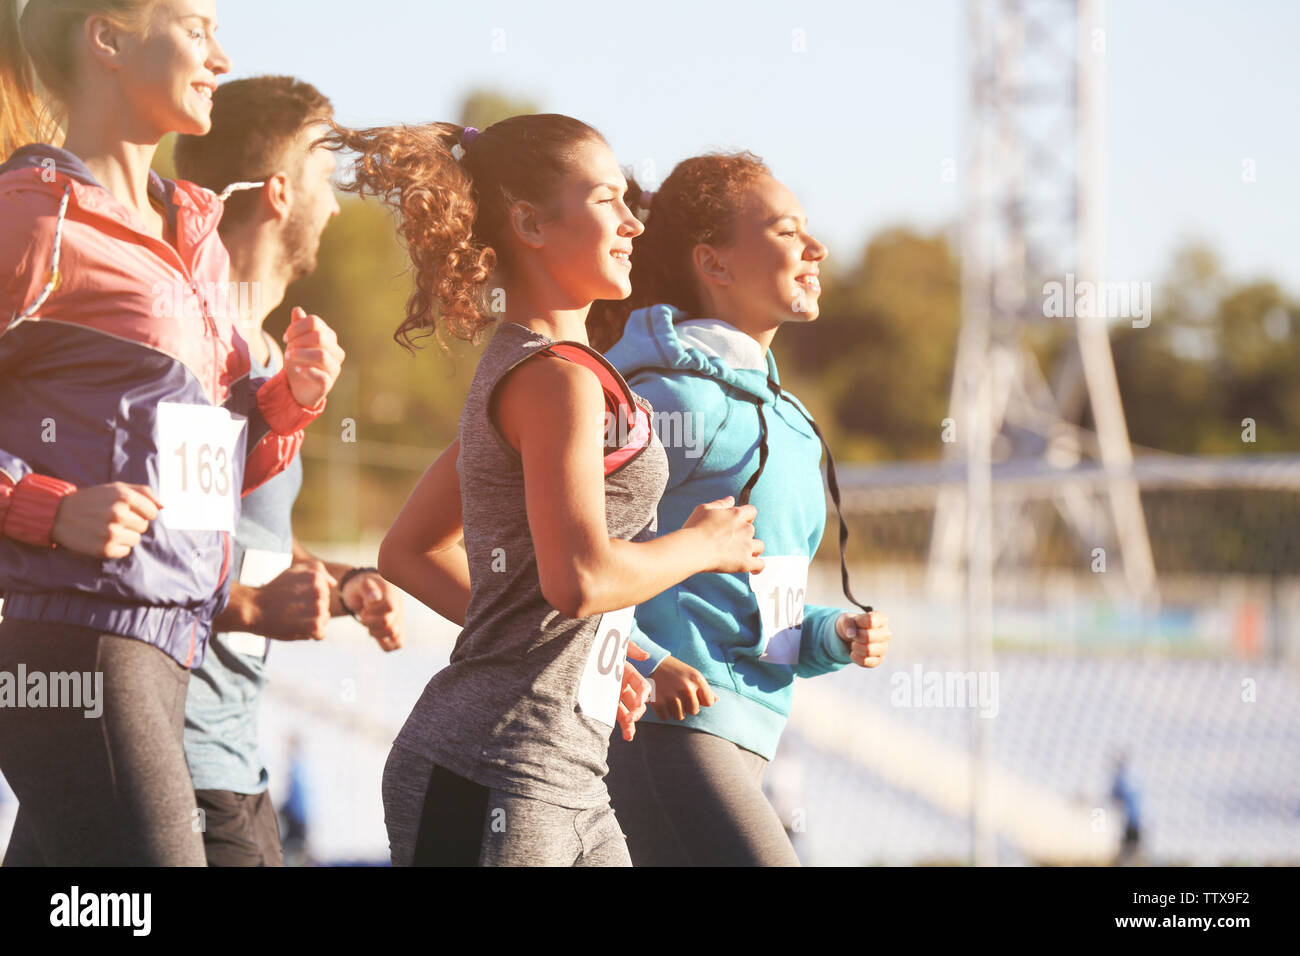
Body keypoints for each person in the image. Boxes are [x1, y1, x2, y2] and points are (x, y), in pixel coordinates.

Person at [329, 114, 765, 866]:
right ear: (531, 223)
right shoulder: (551, 378)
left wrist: (593, 653)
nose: (633, 221)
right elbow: (582, 577)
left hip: (572, 779)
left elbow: (410, 549)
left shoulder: (559, 371)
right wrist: (700, 545)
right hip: (486, 772)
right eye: (606, 200)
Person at [0, 0, 344, 866]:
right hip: (77, 642)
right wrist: (43, 506)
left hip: (168, 644)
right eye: (196, 28)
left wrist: (283, 406)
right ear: (108, 39)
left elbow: (212, 472)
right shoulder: (36, 219)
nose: (221, 57)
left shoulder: (198, 243)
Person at [589, 152, 893, 866]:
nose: (815, 248)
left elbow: (761, 605)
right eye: (787, 232)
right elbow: (572, 563)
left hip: (750, 737)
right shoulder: (669, 399)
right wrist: (646, 661)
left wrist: (832, 634)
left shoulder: (791, 420)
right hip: (666, 731)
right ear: (714, 265)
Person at [172, 75, 404, 867]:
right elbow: (138, 552)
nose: (337, 207)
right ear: (278, 191)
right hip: (178, 770)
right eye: (323, 180)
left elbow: (246, 543)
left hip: (228, 764)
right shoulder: (187, 346)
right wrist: (247, 604)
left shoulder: (276, 359)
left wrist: (338, 584)